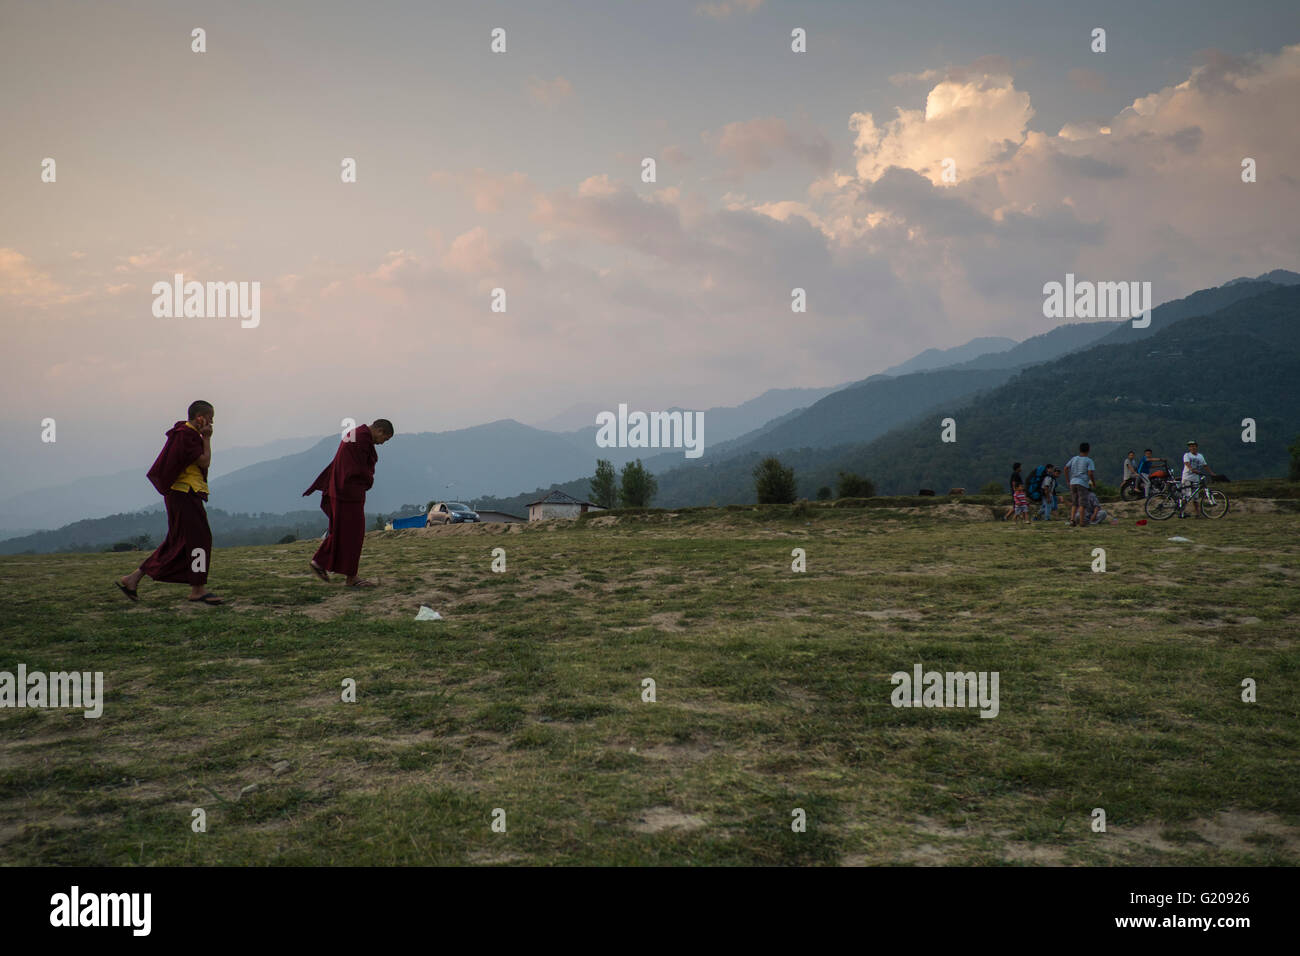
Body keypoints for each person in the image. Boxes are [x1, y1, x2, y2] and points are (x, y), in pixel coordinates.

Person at [116, 401, 223, 605]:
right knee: (200, 540)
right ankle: (198, 589)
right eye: (210, 417)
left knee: (177, 541)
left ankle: (132, 579)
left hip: (183, 494)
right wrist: (207, 438)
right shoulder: (187, 435)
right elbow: (204, 461)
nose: (212, 422)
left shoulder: (184, 433)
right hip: (184, 493)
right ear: (200, 417)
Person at [303, 419, 394, 586]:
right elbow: (356, 468)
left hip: (340, 488)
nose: (382, 443)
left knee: (344, 531)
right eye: (385, 439)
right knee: (353, 533)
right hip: (346, 492)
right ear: (380, 431)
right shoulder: (360, 438)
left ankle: (323, 563)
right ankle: (348, 576)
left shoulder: (357, 435)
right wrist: (368, 479)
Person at [1062, 442, 1097, 527]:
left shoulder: (1074, 458)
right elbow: (1090, 473)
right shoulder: (1089, 460)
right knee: (1082, 503)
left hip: (1073, 482)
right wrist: (1093, 482)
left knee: (1074, 503)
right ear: (1088, 450)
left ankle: (1072, 520)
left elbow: (1066, 468)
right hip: (1082, 483)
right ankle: (1082, 522)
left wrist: (1068, 480)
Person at [1180, 439, 1217, 518]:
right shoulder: (1187, 455)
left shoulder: (1200, 456)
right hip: (1187, 477)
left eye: (1193, 446)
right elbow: (1187, 463)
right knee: (1186, 496)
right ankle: (1182, 512)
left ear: (1196, 447)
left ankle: (1197, 513)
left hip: (1196, 478)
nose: (1192, 448)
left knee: (1196, 497)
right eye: (1190, 446)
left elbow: (1205, 465)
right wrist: (1192, 469)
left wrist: (1211, 473)